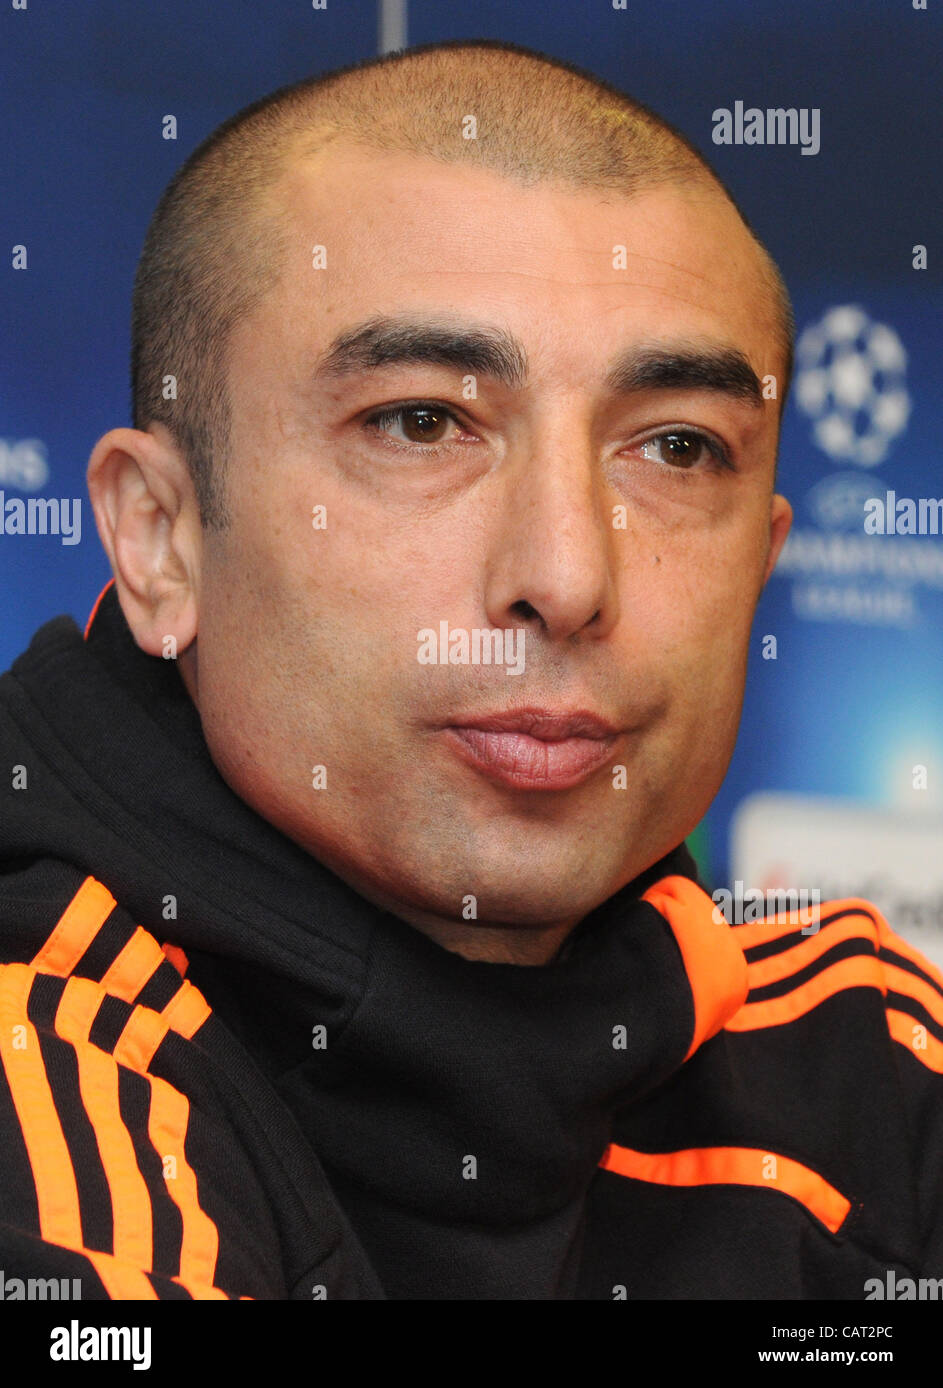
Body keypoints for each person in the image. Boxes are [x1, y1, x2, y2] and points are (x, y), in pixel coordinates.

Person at [1, 38, 940, 1302]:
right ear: (164, 541)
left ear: (763, 559)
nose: (566, 575)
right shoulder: (44, 1051)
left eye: (673, 446)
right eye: (420, 422)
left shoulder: (856, 1042)